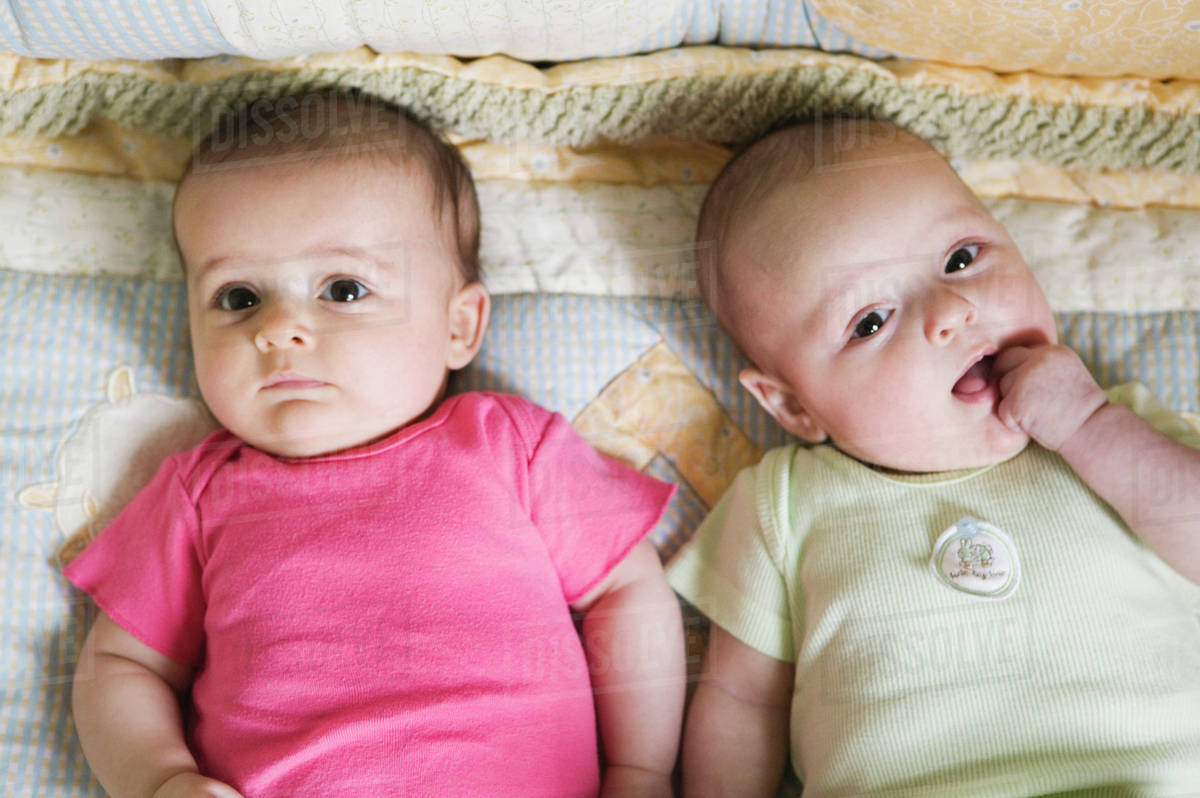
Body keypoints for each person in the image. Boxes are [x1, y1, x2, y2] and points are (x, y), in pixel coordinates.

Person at [66, 90, 685, 798]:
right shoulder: (200, 495)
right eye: (238, 297)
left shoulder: (507, 448)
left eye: (343, 288)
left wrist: (642, 770)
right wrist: (159, 779)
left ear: (459, 326)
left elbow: (627, 589)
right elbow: (120, 667)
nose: (279, 330)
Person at [667, 118, 1200, 796]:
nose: (951, 309)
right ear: (792, 407)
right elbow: (741, 702)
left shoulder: (1117, 431)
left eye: (962, 258)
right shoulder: (786, 503)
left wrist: (1089, 425)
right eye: (870, 321)